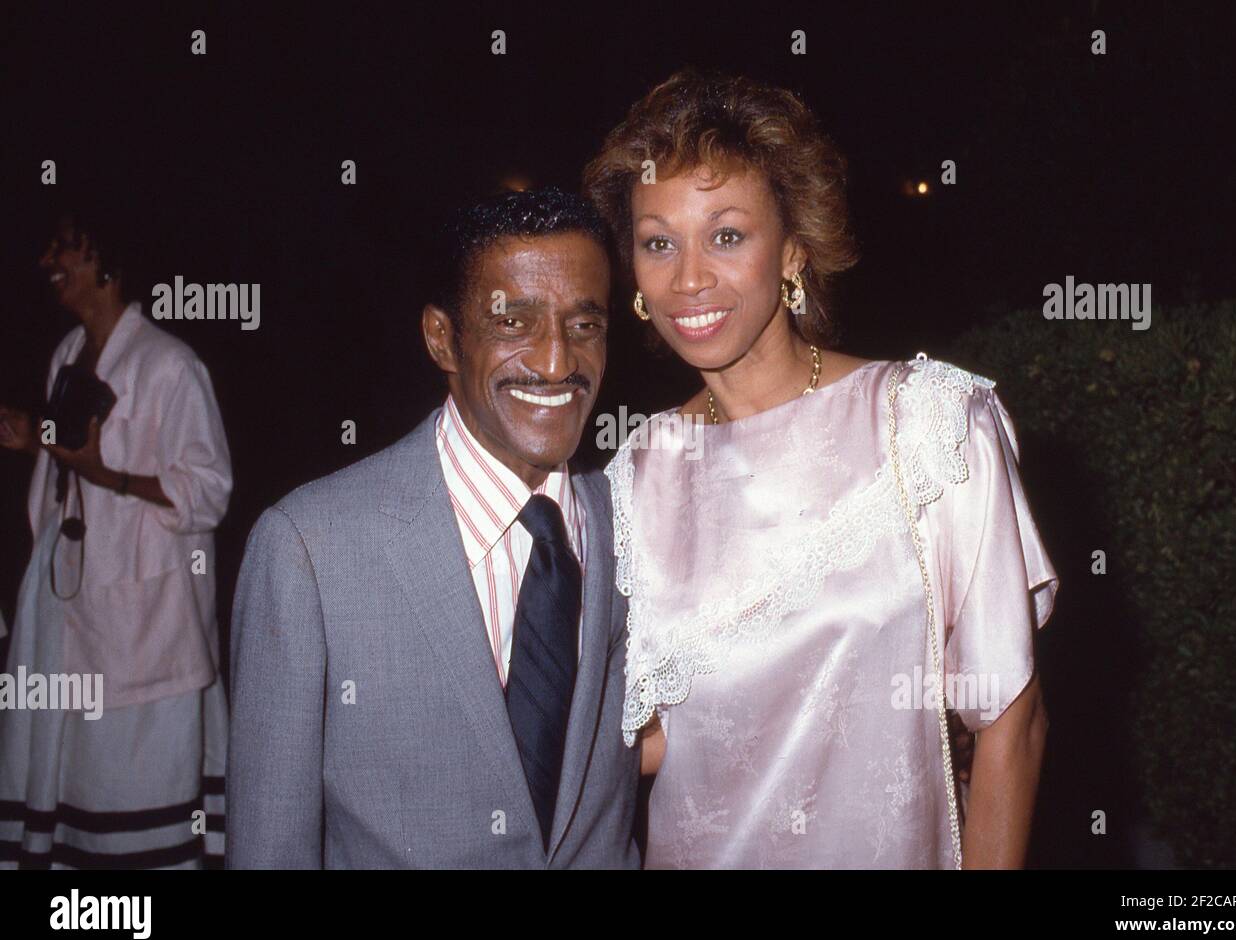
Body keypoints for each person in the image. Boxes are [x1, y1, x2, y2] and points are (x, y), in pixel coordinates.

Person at [582, 70, 1061, 868]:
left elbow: (1011, 716)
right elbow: (659, 737)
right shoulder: (637, 471)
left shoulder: (928, 423)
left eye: (727, 235)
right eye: (658, 242)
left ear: (794, 248)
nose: (688, 277)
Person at [225, 188, 641, 868]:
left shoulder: (635, 519)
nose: (557, 360)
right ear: (442, 338)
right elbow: (271, 844)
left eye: (585, 325)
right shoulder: (309, 547)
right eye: (515, 322)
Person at [0, 212, 232, 868]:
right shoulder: (66, 357)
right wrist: (34, 434)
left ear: (107, 264)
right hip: (67, 605)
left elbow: (209, 489)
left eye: (65, 247)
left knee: (139, 802)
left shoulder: (170, 365)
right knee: (71, 788)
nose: (50, 260)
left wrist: (114, 477)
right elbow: (67, 459)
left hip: (145, 623)